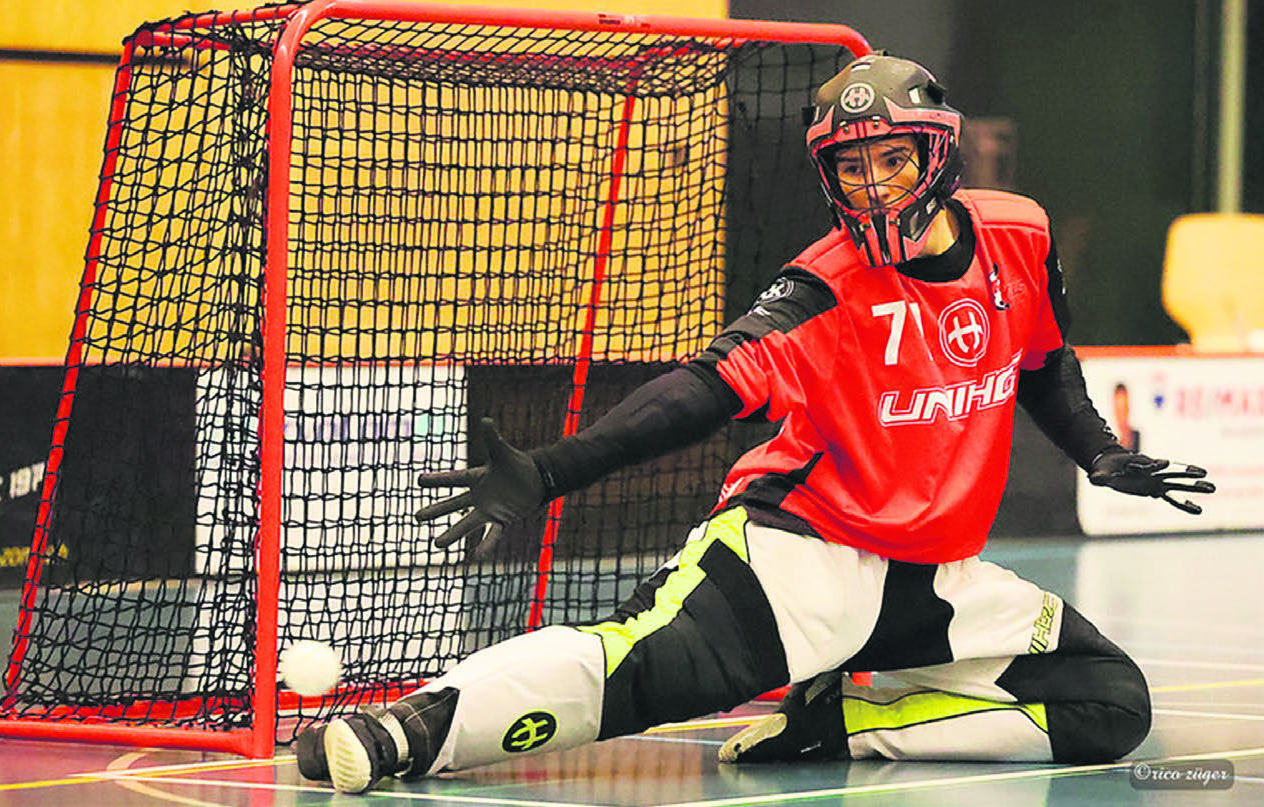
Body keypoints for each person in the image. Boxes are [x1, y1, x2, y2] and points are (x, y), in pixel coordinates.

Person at [295, 54, 1215, 794]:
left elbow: (1042, 363)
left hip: (936, 578)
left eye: (891, 160)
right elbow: (698, 389)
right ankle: (399, 733)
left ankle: (830, 721)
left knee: (1105, 701)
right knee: (625, 672)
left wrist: (1097, 453)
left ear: (936, 157)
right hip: (799, 555)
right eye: (850, 170)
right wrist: (548, 471)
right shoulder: (821, 287)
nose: (873, 188)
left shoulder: (1020, 233)